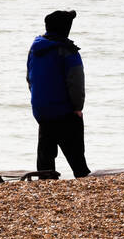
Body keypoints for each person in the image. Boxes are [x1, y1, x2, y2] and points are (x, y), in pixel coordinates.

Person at [27, 10, 90, 178]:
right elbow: (76, 83)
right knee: (76, 157)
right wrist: (77, 107)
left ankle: (45, 180)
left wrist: (40, 100)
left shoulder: (35, 49)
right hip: (64, 112)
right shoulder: (68, 50)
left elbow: (29, 79)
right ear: (65, 28)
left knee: (46, 153)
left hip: (41, 110)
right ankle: (81, 175)